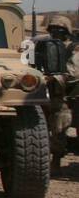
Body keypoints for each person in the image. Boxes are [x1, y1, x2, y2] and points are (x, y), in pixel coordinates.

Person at [42, 14, 76, 171]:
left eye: (59, 30)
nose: (55, 32)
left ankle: (56, 161)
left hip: (62, 97)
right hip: (41, 94)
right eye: (53, 29)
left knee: (59, 127)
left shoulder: (73, 49)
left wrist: (53, 78)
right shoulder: (46, 46)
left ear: (66, 31)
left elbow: (73, 73)